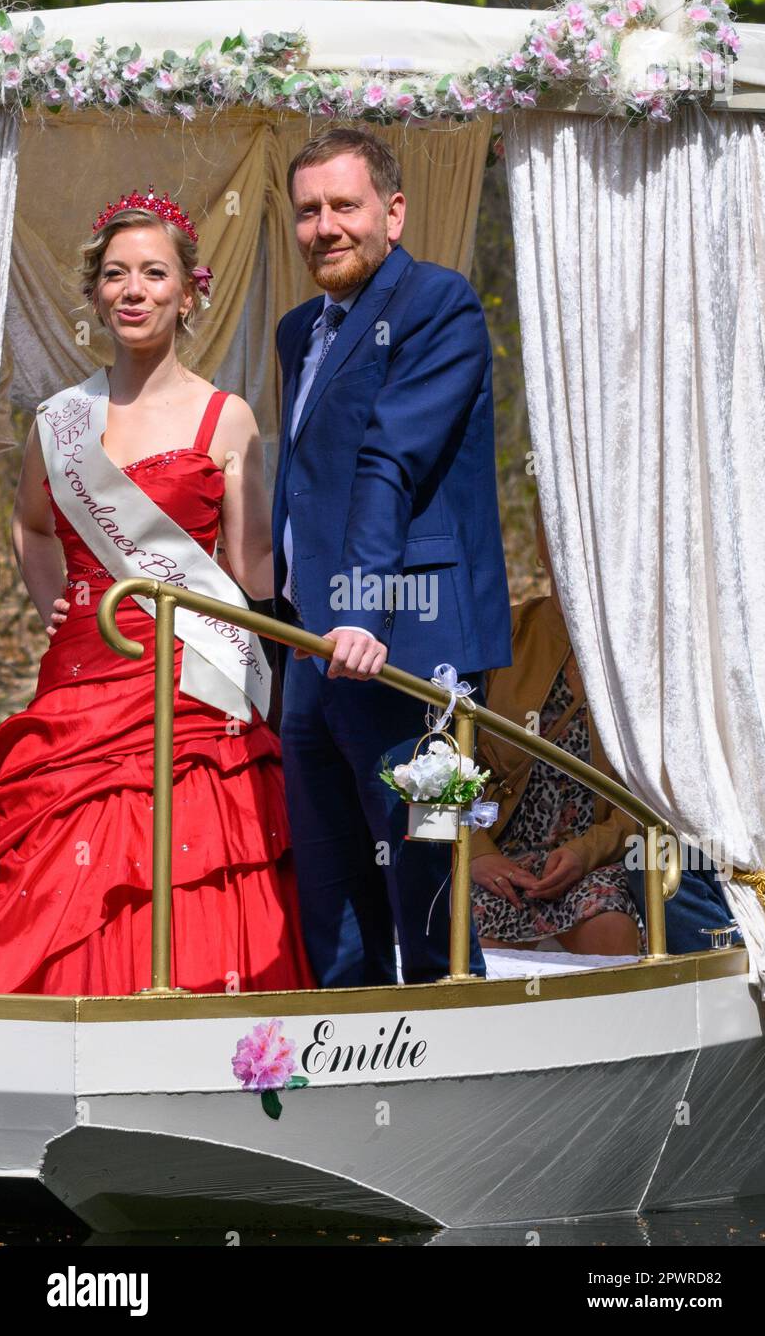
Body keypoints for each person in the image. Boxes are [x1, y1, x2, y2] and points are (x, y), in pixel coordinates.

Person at [0, 186, 315, 995]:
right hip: (83, 678)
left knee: (194, 850)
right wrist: (55, 603)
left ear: (187, 290)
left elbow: (248, 574)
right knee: (69, 847)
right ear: (95, 293)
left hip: (196, 681)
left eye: (152, 273)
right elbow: (31, 527)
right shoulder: (58, 421)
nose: (132, 290)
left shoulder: (226, 417)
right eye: (114, 274)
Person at [273, 127, 512, 987]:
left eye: (344, 205)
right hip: (311, 643)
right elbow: (309, 482)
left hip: (406, 638)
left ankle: (464, 1066)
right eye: (308, 211)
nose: (325, 226)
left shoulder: (438, 304)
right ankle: (354, 1057)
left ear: (393, 212)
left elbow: (390, 461)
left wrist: (362, 612)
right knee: (331, 875)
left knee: (426, 884)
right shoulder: (298, 329)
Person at [471, 500, 735, 955]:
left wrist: (585, 852)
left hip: (599, 858)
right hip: (503, 856)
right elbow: (450, 761)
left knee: (608, 924)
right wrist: (478, 853)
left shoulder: (650, 653)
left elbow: (663, 793)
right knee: (468, 934)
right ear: (541, 545)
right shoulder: (506, 632)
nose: (576, 552)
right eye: (561, 534)